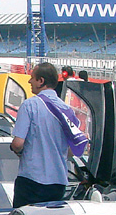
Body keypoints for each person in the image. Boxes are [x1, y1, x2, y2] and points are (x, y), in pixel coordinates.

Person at [9, 63, 88, 207]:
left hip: (31, 179)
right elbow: (71, 150)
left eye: (32, 78)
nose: (29, 81)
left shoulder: (29, 105)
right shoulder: (67, 110)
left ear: (41, 81)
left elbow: (17, 143)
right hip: (58, 181)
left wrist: (17, 150)